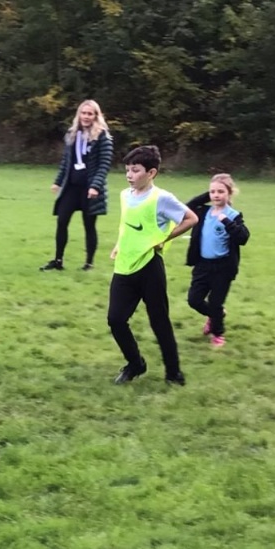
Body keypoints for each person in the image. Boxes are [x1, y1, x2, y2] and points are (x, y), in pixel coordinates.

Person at [108, 145, 198, 385]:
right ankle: (136, 364)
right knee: (115, 320)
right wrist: (119, 244)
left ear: (151, 173)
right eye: (127, 169)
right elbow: (126, 225)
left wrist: (163, 239)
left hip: (150, 268)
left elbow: (191, 218)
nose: (129, 175)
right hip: (125, 265)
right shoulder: (125, 195)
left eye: (135, 170)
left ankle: (173, 373)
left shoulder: (162, 199)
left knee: (159, 322)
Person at [41, 100, 114, 272]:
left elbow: (104, 164)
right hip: (71, 187)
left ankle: (88, 263)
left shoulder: (102, 137)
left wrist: (95, 186)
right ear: (79, 115)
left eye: (90, 114)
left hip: (90, 189)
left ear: (96, 116)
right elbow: (66, 162)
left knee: (89, 225)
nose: (86, 117)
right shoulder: (72, 134)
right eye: (83, 113)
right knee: (62, 221)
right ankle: (58, 261)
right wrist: (58, 182)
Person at [184, 173, 250, 347]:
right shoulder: (203, 211)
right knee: (194, 300)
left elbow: (243, 238)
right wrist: (209, 195)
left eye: (221, 191)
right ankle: (215, 315)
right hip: (202, 265)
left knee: (215, 302)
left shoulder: (233, 215)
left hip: (223, 267)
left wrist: (227, 221)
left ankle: (218, 333)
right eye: (212, 192)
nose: (216, 195)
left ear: (229, 193)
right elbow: (188, 206)